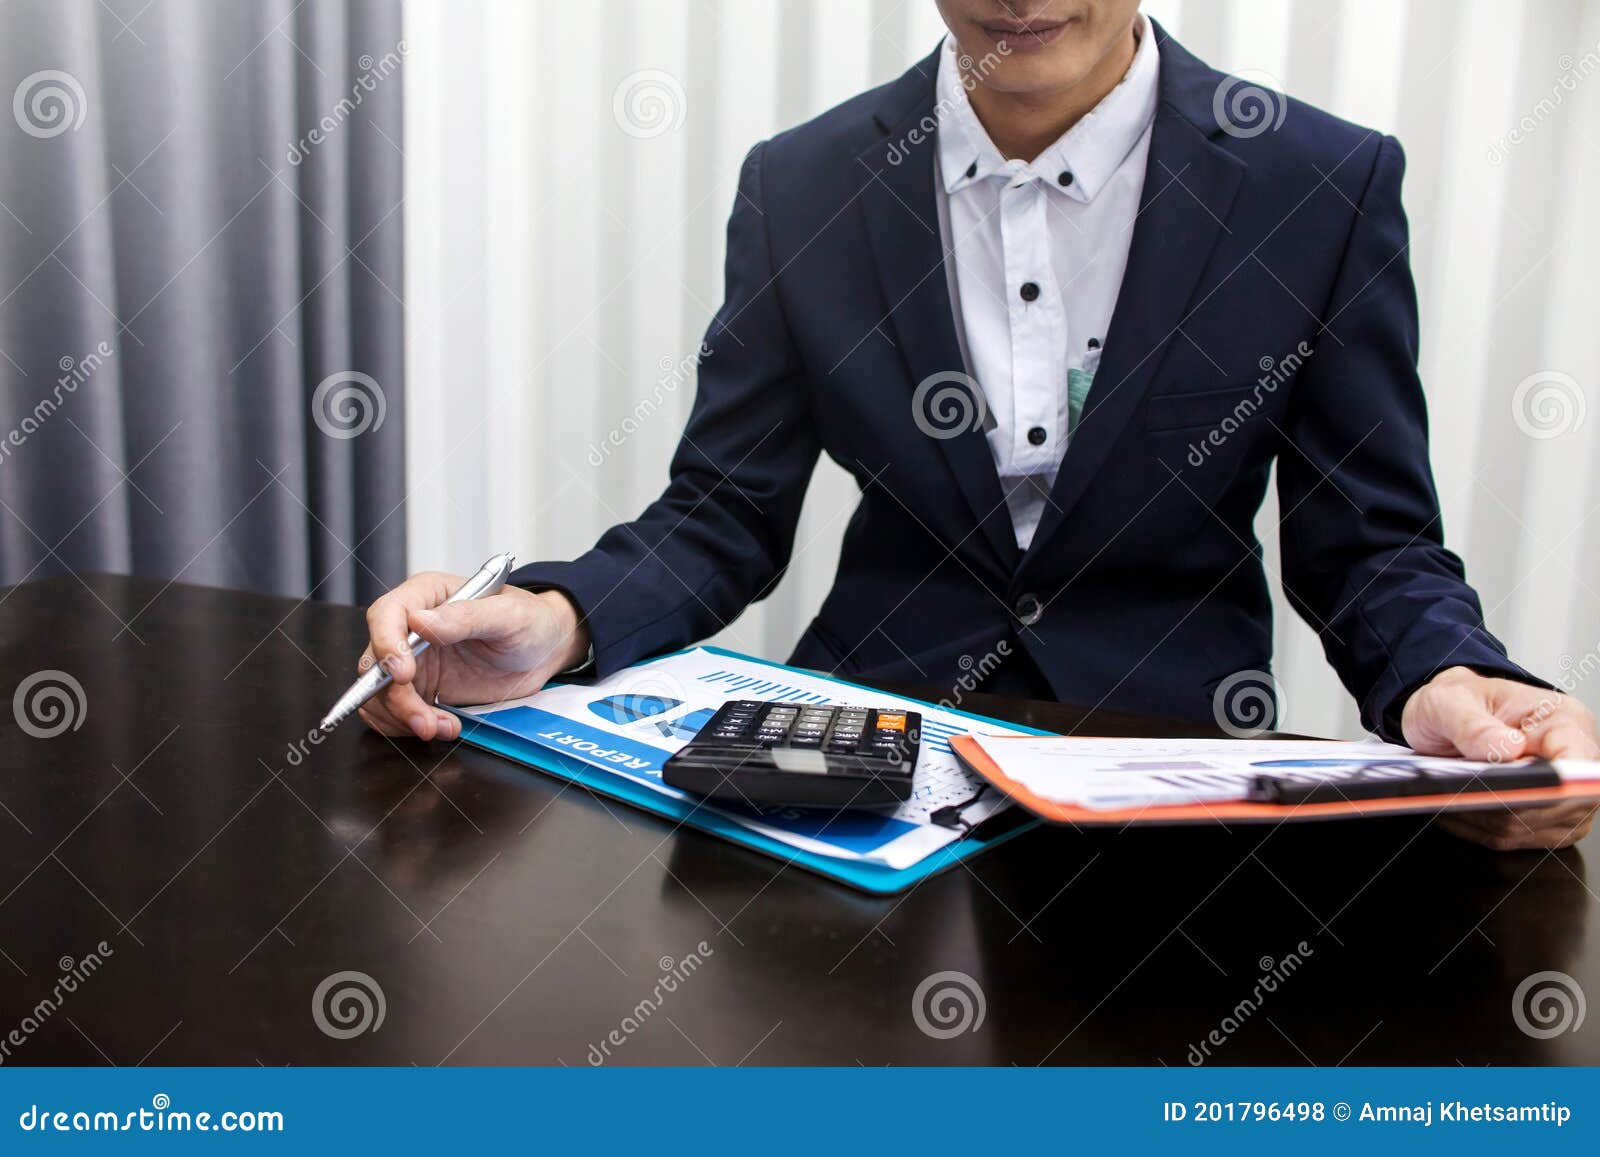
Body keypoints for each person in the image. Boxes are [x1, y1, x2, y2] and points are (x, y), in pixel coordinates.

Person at [356, 1, 1598, 851]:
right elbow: (723, 508)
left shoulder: (1319, 187)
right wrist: (556, 623)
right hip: (851, 775)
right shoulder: (803, 183)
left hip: (1164, 776)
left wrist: (1456, 680)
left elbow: (1369, 542)